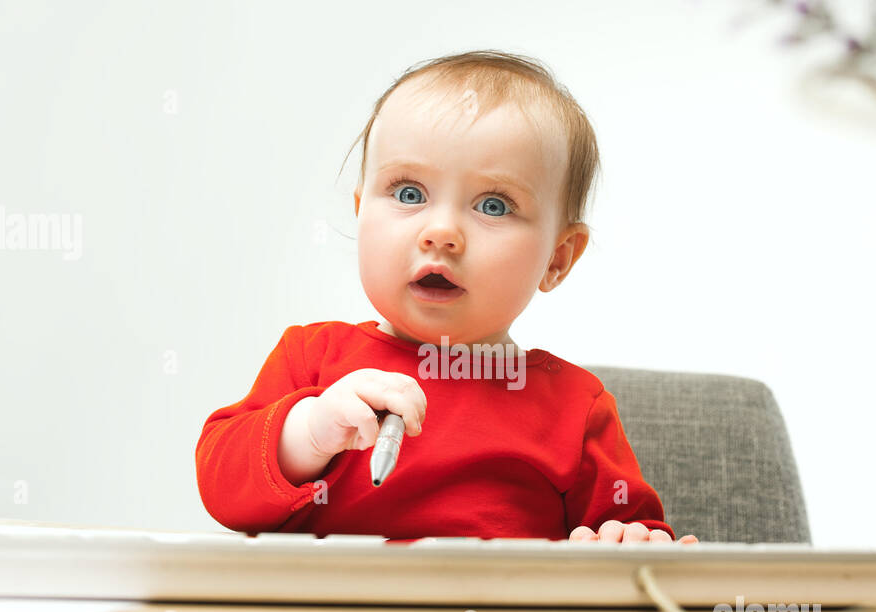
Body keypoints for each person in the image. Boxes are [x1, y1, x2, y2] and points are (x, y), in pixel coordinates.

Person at [196, 50, 697, 544]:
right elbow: (222, 491)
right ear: (360, 213)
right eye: (409, 194)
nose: (441, 232)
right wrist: (307, 432)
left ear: (557, 259)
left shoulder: (574, 406)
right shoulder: (313, 359)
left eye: (494, 205)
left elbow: (636, 533)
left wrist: (628, 541)